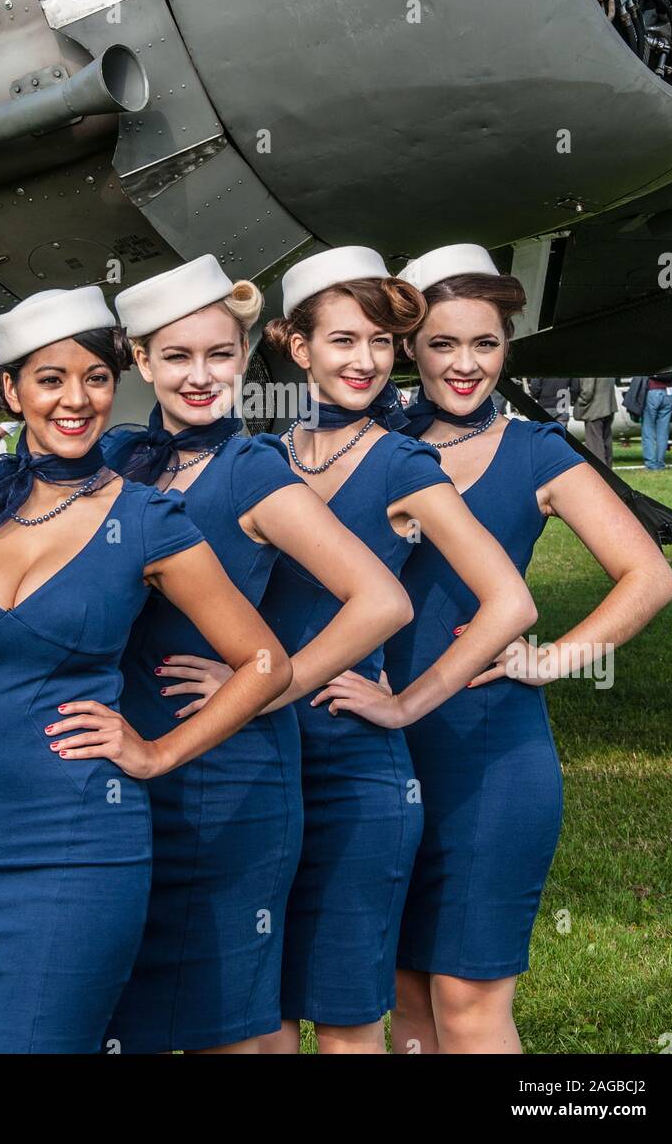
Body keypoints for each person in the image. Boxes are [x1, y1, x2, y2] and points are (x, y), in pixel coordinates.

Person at [0, 285, 299, 1054]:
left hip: (81, 845)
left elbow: (265, 663)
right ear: (10, 390)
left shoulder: (147, 519)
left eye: (95, 377)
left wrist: (156, 752)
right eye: (50, 379)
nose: (76, 399)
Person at [161, 246, 537, 1055]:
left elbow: (511, 602)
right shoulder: (256, 458)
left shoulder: (405, 462)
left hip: (348, 770)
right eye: (341, 341)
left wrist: (401, 701)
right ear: (297, 349)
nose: (363, 360)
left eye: (378, 342)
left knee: (344, 1024)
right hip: (255, 765)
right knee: (251, 1018)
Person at [314, 244, 672, 1055]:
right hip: (374, 756)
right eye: (442, 344)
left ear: (507, 346)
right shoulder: (372, 444)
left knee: (469, 1005)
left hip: (489, 758)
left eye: (485, 343)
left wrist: (548, 659)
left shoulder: (536, 451)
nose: (465, 364)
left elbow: (646, 577)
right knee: (402, 1004)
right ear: (408, 347)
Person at [99, 254, 413, 1054]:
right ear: (139, 360)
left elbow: (380, 600)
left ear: (245, 359)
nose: (201, 377)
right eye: (176, 357)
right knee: (137, 1012)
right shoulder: (120, 463)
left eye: (219, 355)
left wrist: (272, 686)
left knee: (235, 1022)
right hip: (125, 769)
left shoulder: (253, 471)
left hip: (229, 778)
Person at [573, 376, 617, 467]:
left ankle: (600, 470)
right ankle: (608, 469)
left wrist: (578, 402)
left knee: (595, 444)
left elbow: (587, 391)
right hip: (609, 406)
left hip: (595, 409)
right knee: (606, 441)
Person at [641, 372, 672, 470]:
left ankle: (651, 464)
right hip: (668, 394)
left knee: (648, 430)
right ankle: (660, 463)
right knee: (663, 432)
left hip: (653, 392)